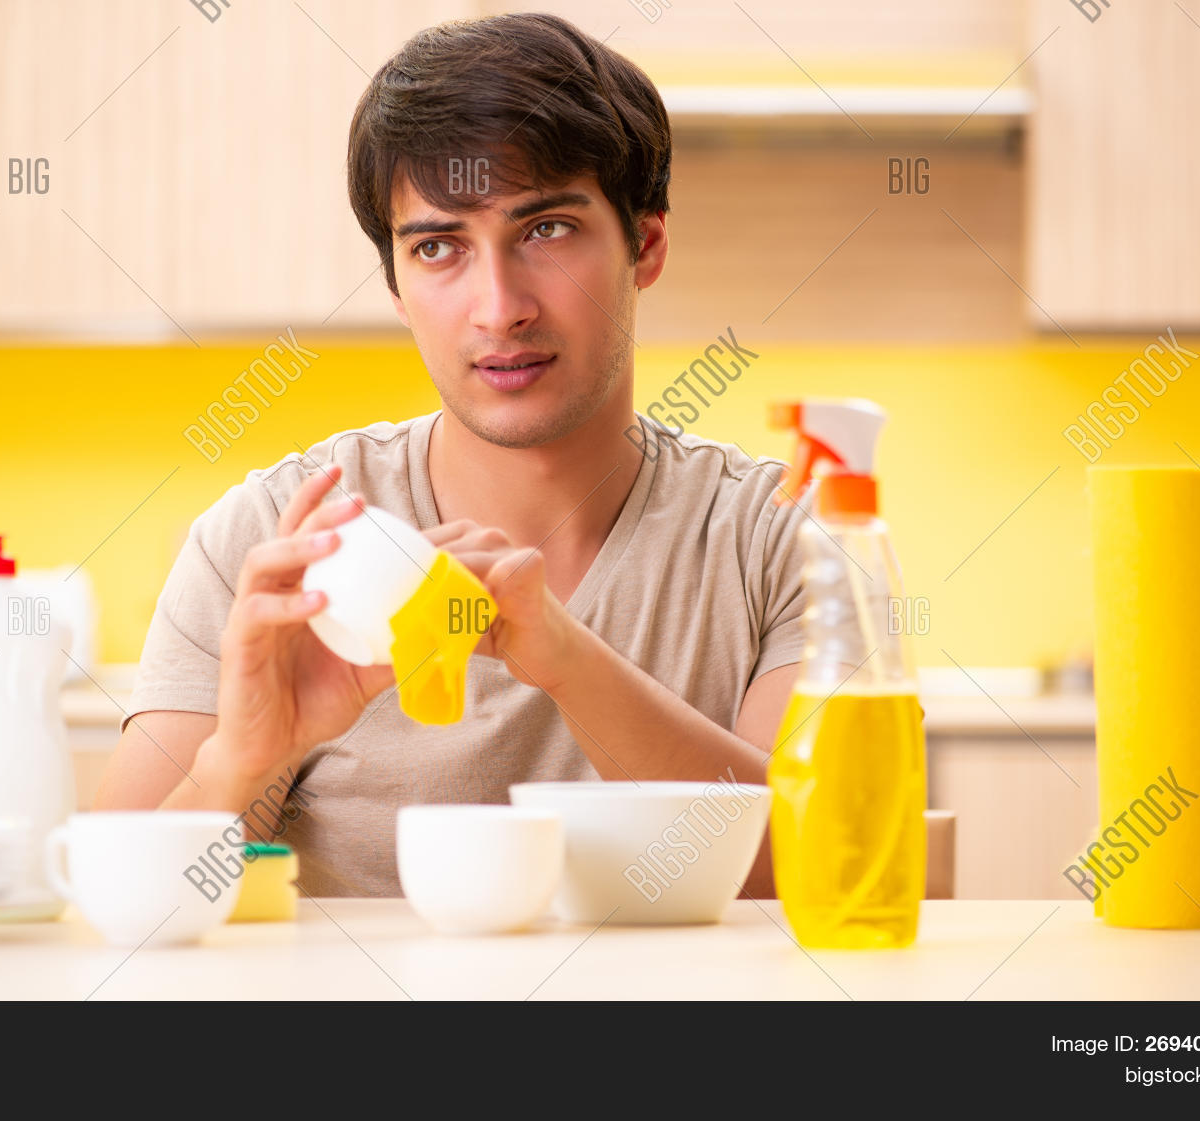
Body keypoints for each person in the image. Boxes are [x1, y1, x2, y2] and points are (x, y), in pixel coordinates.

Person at [95, 12, 806, 898]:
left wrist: (562, 655)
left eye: (545, 229)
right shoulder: (277, 542)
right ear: (396, 284)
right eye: (438, 247)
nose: (498, 306)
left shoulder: (785, 538)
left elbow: (831, 864)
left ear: (645, 245)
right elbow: (110, 919)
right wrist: (241, 764)